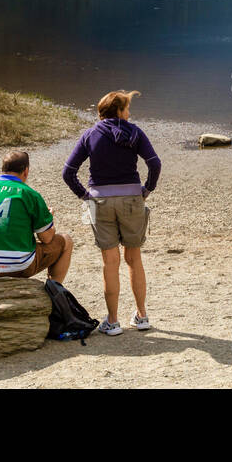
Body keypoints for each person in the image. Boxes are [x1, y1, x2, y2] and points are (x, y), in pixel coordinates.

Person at [62, 90, 161, 336]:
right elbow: (155, 163)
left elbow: (68, 172)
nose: (129, 112)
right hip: (131, 199)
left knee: (110, 262)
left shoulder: (90, 134)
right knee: (134, 259)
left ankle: (113, 321)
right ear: (118, 111)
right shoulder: (135, 132)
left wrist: (85, 196)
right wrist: (146, 190)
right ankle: (142, 315)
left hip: (100, 202)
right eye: (127, 108)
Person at [0, 150, 73, 281]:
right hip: (17, 267)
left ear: (3, 170)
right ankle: (55, 292)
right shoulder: (29, 194)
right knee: (66, 240)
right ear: (26, 171)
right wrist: (48, 220)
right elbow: (47, 238)